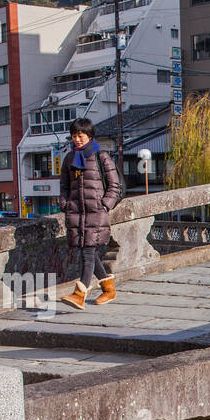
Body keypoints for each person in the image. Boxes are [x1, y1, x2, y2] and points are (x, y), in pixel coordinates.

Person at [59, 118, 122, 308]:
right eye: (74, 136)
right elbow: (64, 186)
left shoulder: (101, 156)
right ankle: (109, 290)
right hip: (76, 214)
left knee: (87, 253)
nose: (77, 139)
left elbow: (115, 185)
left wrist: (105, 205)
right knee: (89, 252)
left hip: (96, 213)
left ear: (89, 136)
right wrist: (64, 203)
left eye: (81, 135)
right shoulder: (70, 159)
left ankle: (80, 294)